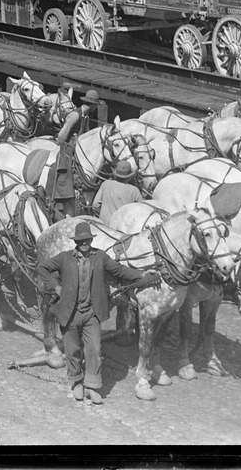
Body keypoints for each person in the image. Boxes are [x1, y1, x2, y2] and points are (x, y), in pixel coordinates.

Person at [37, 221, 158, 404]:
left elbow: (120, 270)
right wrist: (56, 287)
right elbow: (42, 268)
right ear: (76, 241)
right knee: (72, 349)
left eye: (86, 239)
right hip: (70, 313)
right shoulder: (64, 258)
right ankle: (76, 382)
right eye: (80, 240)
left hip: (92, 313)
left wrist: (142, 275)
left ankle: (92, 386)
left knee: (94, 349)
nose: (84, 243)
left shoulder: (101, 257)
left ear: (91, 240)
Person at [52, 89, 105, 218]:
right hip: (68, 148)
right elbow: (62, 136)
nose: (95, 108)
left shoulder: (85, 116)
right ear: (93, 105)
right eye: (95, 106)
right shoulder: (75, 115)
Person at [96, 160, 143, 225]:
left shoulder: (106, 184)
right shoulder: (134, 190)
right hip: (122, 227)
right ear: (129, 177)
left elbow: (95, 205)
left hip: (104, 226)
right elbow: (140, 212)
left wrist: (104, 216)